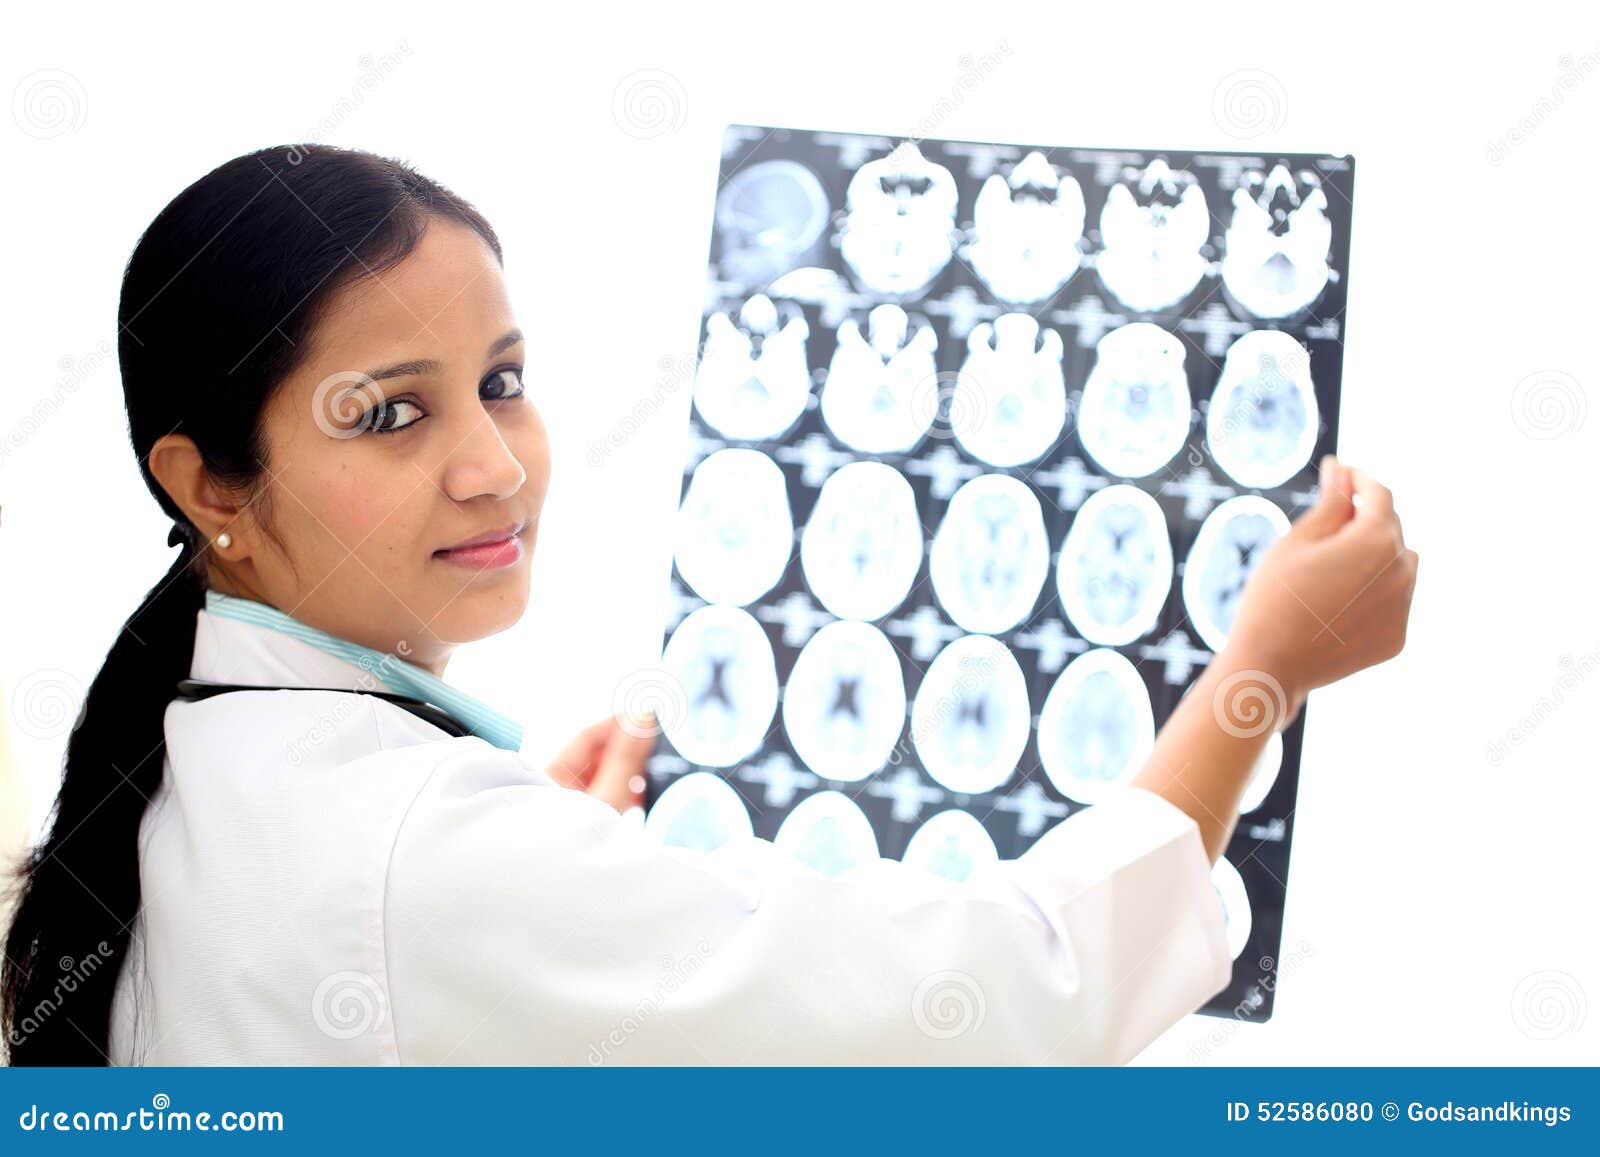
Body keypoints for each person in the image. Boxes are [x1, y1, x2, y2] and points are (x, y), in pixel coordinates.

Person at [0, 145, 1417, 1066]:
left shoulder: (212, 757)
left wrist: (522, 873)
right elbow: (994, 1010)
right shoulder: (410, 854)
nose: (497, 466)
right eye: (390, 413)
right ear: (211, 483)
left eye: (501, 381)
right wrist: (1262, 676)